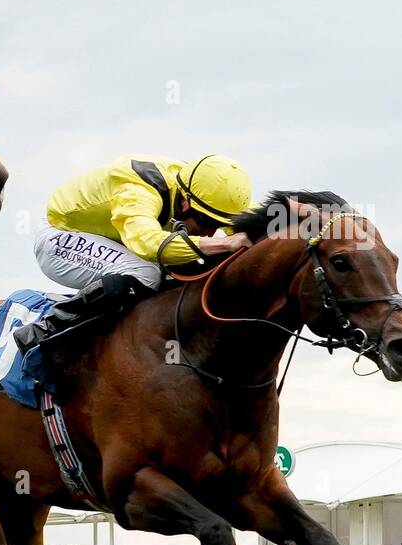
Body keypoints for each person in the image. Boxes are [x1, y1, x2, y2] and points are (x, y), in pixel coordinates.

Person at [14, 153, 254, 377]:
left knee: (184, 268)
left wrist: (287, 214)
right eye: (206, 221)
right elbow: (147, 244)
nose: (212, 231)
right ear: (186, 202)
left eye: (219, 225)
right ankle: (45, 334)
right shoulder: (138, 191)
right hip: (60, 237)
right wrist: (222, 244)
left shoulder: (205, 192)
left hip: (114, 238)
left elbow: (258, 223)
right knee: (147, 273)